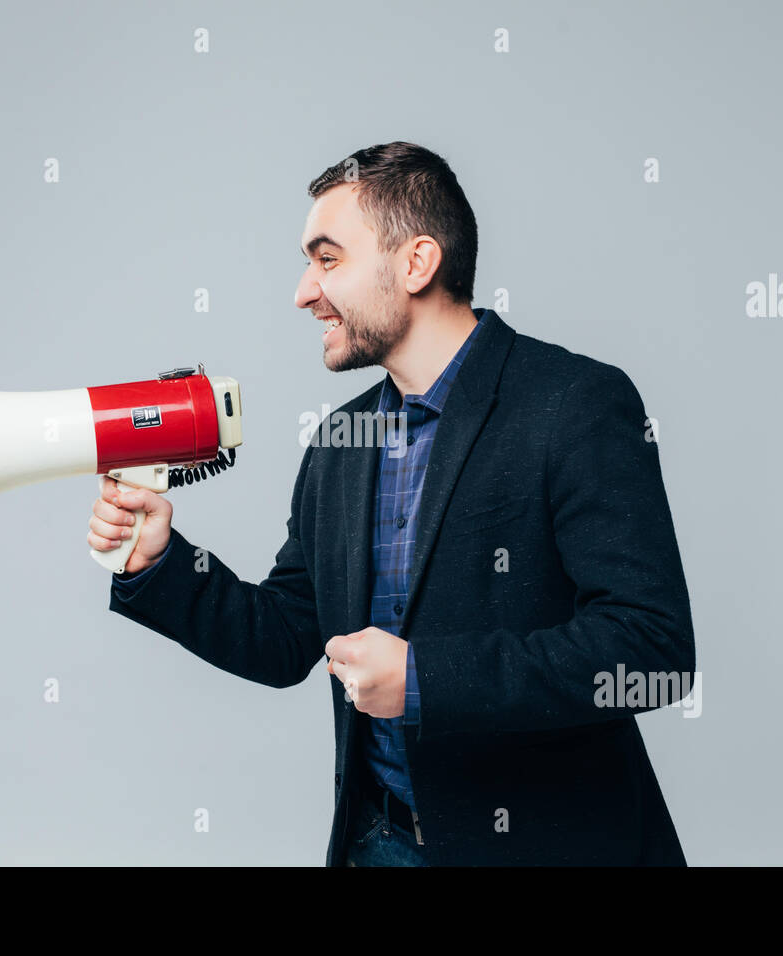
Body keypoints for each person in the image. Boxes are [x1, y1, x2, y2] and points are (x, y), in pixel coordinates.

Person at [90, 141, 696, 866]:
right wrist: (161, 563)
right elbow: (288, 635)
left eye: (328, 259)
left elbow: (650, 647)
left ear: (416, 263)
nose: (303, 292)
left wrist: (427, 681)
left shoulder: (574, 404)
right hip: (377, 845)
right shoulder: (339, 442)